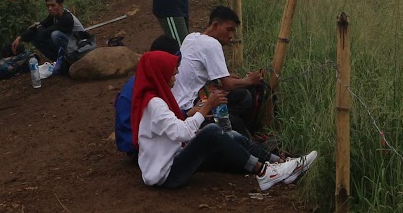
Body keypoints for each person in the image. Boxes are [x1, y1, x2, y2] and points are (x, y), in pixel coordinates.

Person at [132, 50, 316, 190]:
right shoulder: (155, 104)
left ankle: (280, 163)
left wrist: (200, 116)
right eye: (172, 74)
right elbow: (182, 133)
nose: (176, 77)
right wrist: (206, 108)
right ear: (160, 75)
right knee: (212, 131)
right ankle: (264, 172)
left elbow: (176, 131)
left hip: (173, 160)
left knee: (230, 135)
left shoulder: (156, 99)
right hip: (167, 175)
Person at [174, 6, 267, 137]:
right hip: (189, 106)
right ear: (215, 25)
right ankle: (231, 128)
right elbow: (227, 84)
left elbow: (199, 71)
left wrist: (230, 77)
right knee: (245, 97)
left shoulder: (191, 37)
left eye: (233, 31)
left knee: (239, 94)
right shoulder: (212, 44)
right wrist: (249, 80)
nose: (230, 36)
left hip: (178, 103)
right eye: (228, 29)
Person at [9, 0, 95, 78]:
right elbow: (40, 27)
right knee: (33, 37)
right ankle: (59, 61)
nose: (50, 8)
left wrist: (38, 26)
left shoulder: (67, 18)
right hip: (71, 45)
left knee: (55, 35)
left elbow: (45, 33)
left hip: (82, 47)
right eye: (48, 6)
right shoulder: (54, 16)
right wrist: (20, 37)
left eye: (53, 5)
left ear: (61, 5)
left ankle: (70, 61)